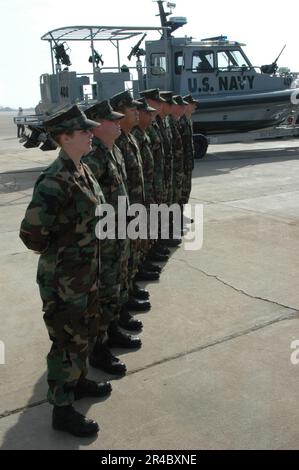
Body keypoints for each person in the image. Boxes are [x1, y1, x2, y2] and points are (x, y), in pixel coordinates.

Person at [19, 105, 111, 438]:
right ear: (65, 137)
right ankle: (62, 407)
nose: (91, 134)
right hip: (64, 279)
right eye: (84, 131)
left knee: (83, 332)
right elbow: (31, 234)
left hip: (86, 274)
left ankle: (79, 380)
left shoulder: (82, 170)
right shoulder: (54, 180)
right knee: (65, 341)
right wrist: (62, 252)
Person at [83, 99, 142, 376]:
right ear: (95, 126)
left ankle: (112, 329)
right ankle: (98, 349)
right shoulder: (92, 159)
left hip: (119, 234)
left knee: (116, 288)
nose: (118, 122)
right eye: (111, 120)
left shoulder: (112, 150)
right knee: (103, 294)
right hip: (104, 241)